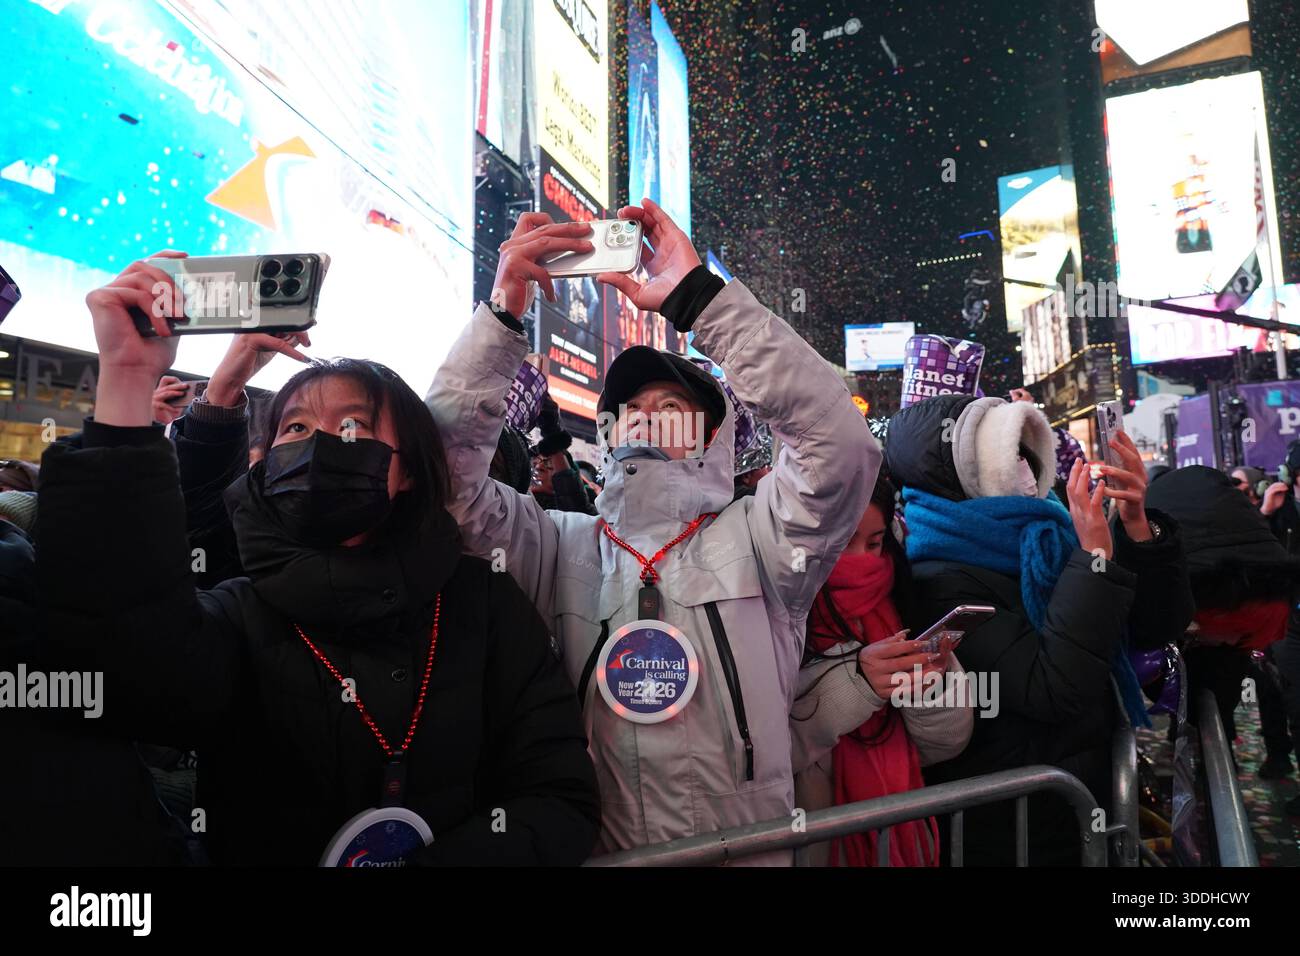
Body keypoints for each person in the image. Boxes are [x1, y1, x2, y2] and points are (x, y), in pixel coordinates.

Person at [33, 251, 600, 866]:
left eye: (353, 427)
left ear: (407, 469)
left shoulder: (484, 602)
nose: (319, 446)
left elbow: (556, 795)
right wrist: (125, 377)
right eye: (295, 428)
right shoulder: (240, 613)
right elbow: (120, 663)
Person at [426, 198, 878, 861]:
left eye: (670, 407)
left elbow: (839, 448)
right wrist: (500, 318)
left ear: (713, 437)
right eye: (628, 409)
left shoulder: (767, 537)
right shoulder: (559, 546)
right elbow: (444, 485)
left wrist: (705, 303)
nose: (644, 417)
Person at [884, 393, 1193, 865]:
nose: (1026, 471)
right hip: (1015, 825)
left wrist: (1136, 529)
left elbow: (1155, 627)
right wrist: (1092, 562)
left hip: (1084, 801)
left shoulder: (1050, 533)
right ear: (965, 476)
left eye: (1027, 455)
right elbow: (1054, 687)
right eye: (1007, 456)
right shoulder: (940, 578)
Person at [789, 473, 973, 866]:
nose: (863, 561)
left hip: (897, 830)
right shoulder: (777, 611)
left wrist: (931, 687)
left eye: (874, 543)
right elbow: (766, 752)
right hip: (809, 840)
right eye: (843, 544)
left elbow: (945, 744)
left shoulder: (899, 599)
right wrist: (857, 685)